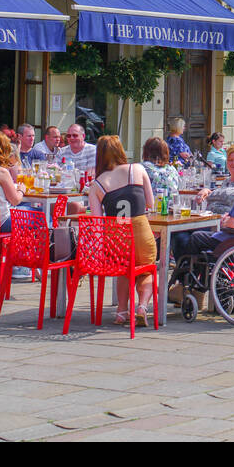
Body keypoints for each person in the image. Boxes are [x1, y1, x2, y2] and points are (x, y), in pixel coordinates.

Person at [87, 135, 157, 327]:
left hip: (117, 236)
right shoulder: (137, 169)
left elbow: (97, 222)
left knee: (123, 269)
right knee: (146, 269)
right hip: (141, 230)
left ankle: (121, 312)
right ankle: (142, 307)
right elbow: (150, 203)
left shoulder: (97, 185)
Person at [199, 142, 234, 214]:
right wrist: (207, 191)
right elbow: (223, 195)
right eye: (230, 160)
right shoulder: (227, 181)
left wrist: (211, 195)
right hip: (210, 221)